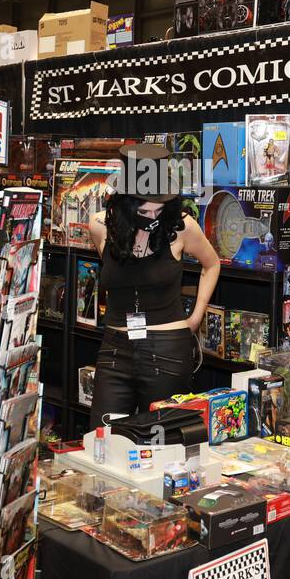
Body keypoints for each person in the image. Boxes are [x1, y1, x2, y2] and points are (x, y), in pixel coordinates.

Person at [86, 143, 221, 427]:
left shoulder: (182, 227)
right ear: (126, 203)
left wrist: (195, 318)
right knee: (104, 438)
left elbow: (212, 264)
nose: (153, 218)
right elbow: (118, 274)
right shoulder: (100, 226)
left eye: (159, 210)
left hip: (167, 349)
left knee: (164, 442)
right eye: (144, 211)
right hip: (115, 349)